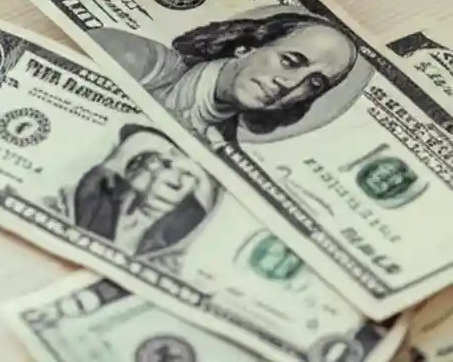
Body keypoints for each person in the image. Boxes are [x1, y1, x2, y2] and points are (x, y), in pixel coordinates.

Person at [92, 13, 357, 144]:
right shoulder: (140, 61)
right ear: (246, 48)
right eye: (290, 61)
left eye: (314, 84)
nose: (290, 84)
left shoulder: (222, 148)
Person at [72, 124, 216, 256]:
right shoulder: (93, 201)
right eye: (162, 164)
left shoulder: (181, 237)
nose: (174, 181)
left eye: (189, 174)